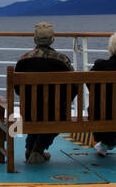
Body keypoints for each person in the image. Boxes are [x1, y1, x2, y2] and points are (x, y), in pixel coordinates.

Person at [16, 21, 73, 164]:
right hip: (56, 113)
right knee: (53, 116)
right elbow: (74, 87)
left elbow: (18, 90)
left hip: (29, 113)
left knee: (36, 112)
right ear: (53, 39)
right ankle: (38, 148)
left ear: (35, 39)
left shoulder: (23, 61)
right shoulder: (62, 60)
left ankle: (31, 148)